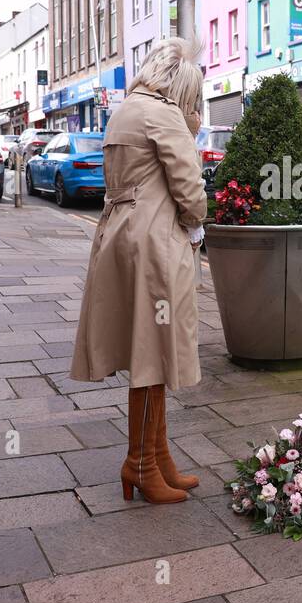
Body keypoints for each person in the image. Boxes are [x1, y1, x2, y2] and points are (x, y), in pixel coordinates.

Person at [70, 37, 206, 504]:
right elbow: (189, 190)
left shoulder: (127, 108)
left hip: (122, 236)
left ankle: (158, 455)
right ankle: (141, 462)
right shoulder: (165, 113)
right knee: (153, 354)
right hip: (155, 243)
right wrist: (196, 222)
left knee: (151, 349)